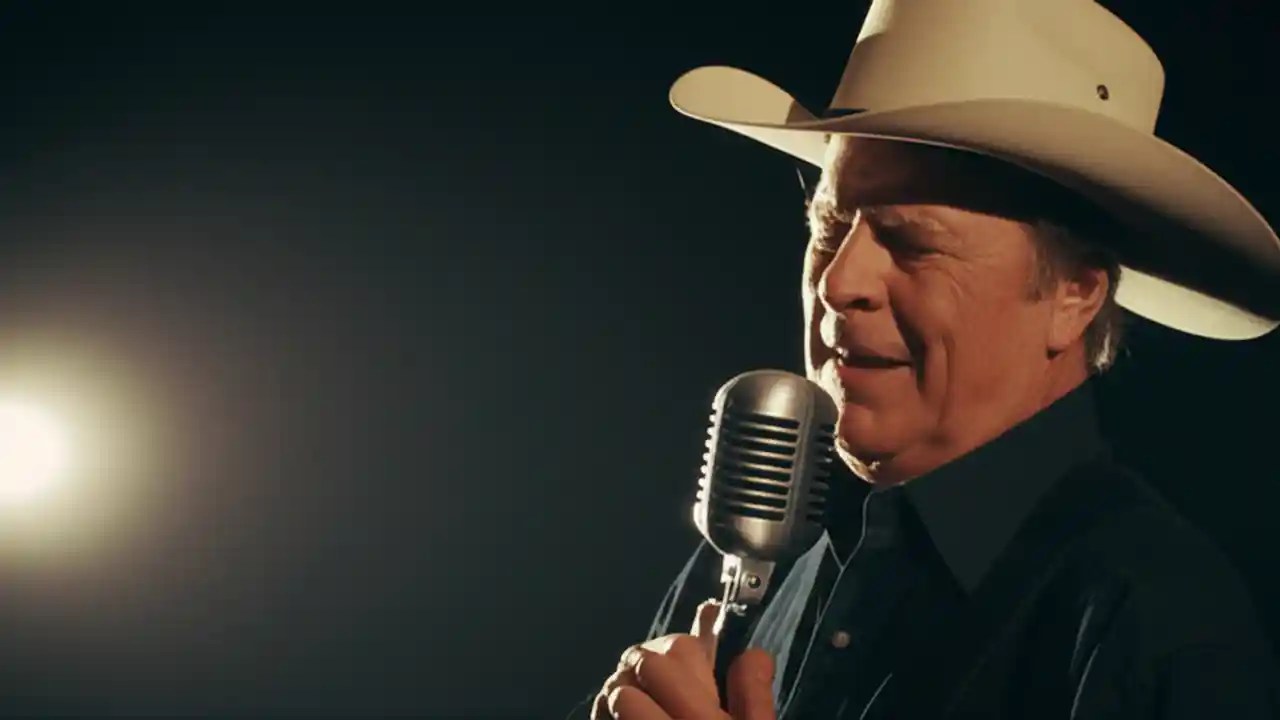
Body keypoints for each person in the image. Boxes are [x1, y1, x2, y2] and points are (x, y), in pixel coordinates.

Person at [570, 1, 1280, 718]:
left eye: (912, 243)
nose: (837, 282)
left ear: (1074, 293)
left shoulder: (1155, 623)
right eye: (830, 226)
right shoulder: (759, 546)